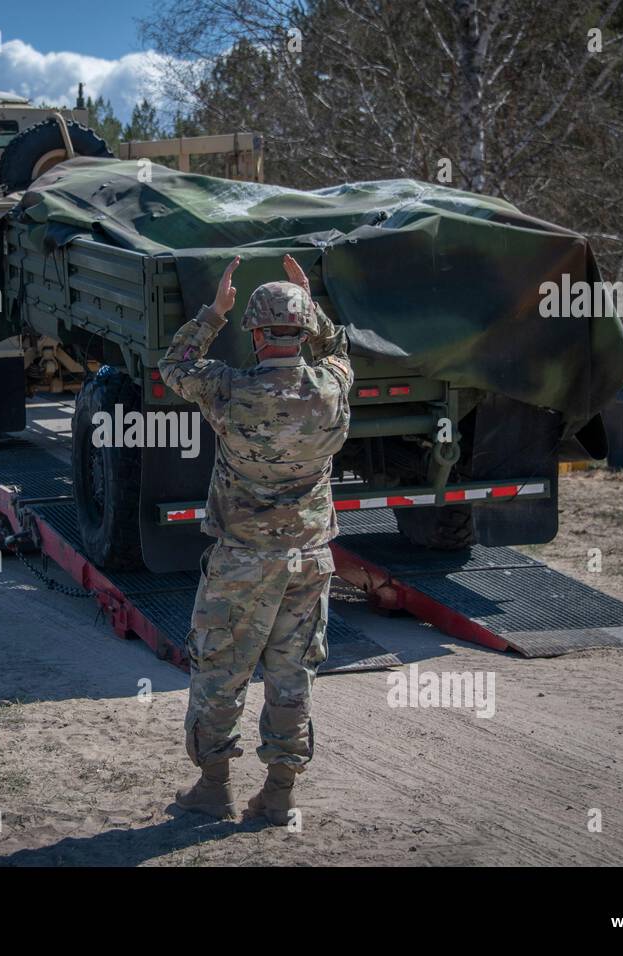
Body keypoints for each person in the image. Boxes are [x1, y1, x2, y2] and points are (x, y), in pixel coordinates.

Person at [158, 254, 354, 824]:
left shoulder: (230, 391)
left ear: (256, 333)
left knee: (221, 668)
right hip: (309, 558)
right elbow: (341, 353)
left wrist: (213, 314)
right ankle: (280, 793)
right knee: (293, 672)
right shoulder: (330, 391)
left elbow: (175, 365)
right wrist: (311, 307)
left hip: (242, 559)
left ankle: (214, 785)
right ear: (299, 330)